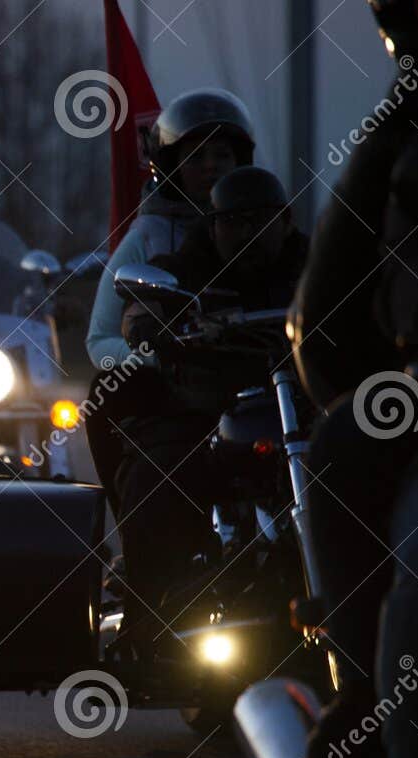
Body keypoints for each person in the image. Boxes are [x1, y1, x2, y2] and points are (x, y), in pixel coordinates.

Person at [292, 0, 418, 758]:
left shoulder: (407, 121)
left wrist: (356, 382)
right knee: (344, 444)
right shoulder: (403, 123)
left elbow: (328, 311)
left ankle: (369, 702)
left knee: (345, 444)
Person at [110, 166, 308, 658]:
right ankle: (149, 615)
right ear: (213, 225)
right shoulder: (188, 263)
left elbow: (363, 289)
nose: (248, 233)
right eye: (234, 221)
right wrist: (149, 318)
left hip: (299, 407)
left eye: (261, 220)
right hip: (206, 409)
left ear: (285, 220)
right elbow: (142, 303)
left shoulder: (315, 264)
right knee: (155, 475)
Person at [85, 89, 255, 507]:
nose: (211, 166)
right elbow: (100, 341)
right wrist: (164, 356)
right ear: (172, 165)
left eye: (222, 155)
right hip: (182, 390)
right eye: (196, 156)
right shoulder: (148, 237)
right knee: (107, 392)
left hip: (260, 375)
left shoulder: (266, 224)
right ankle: (132, 532)